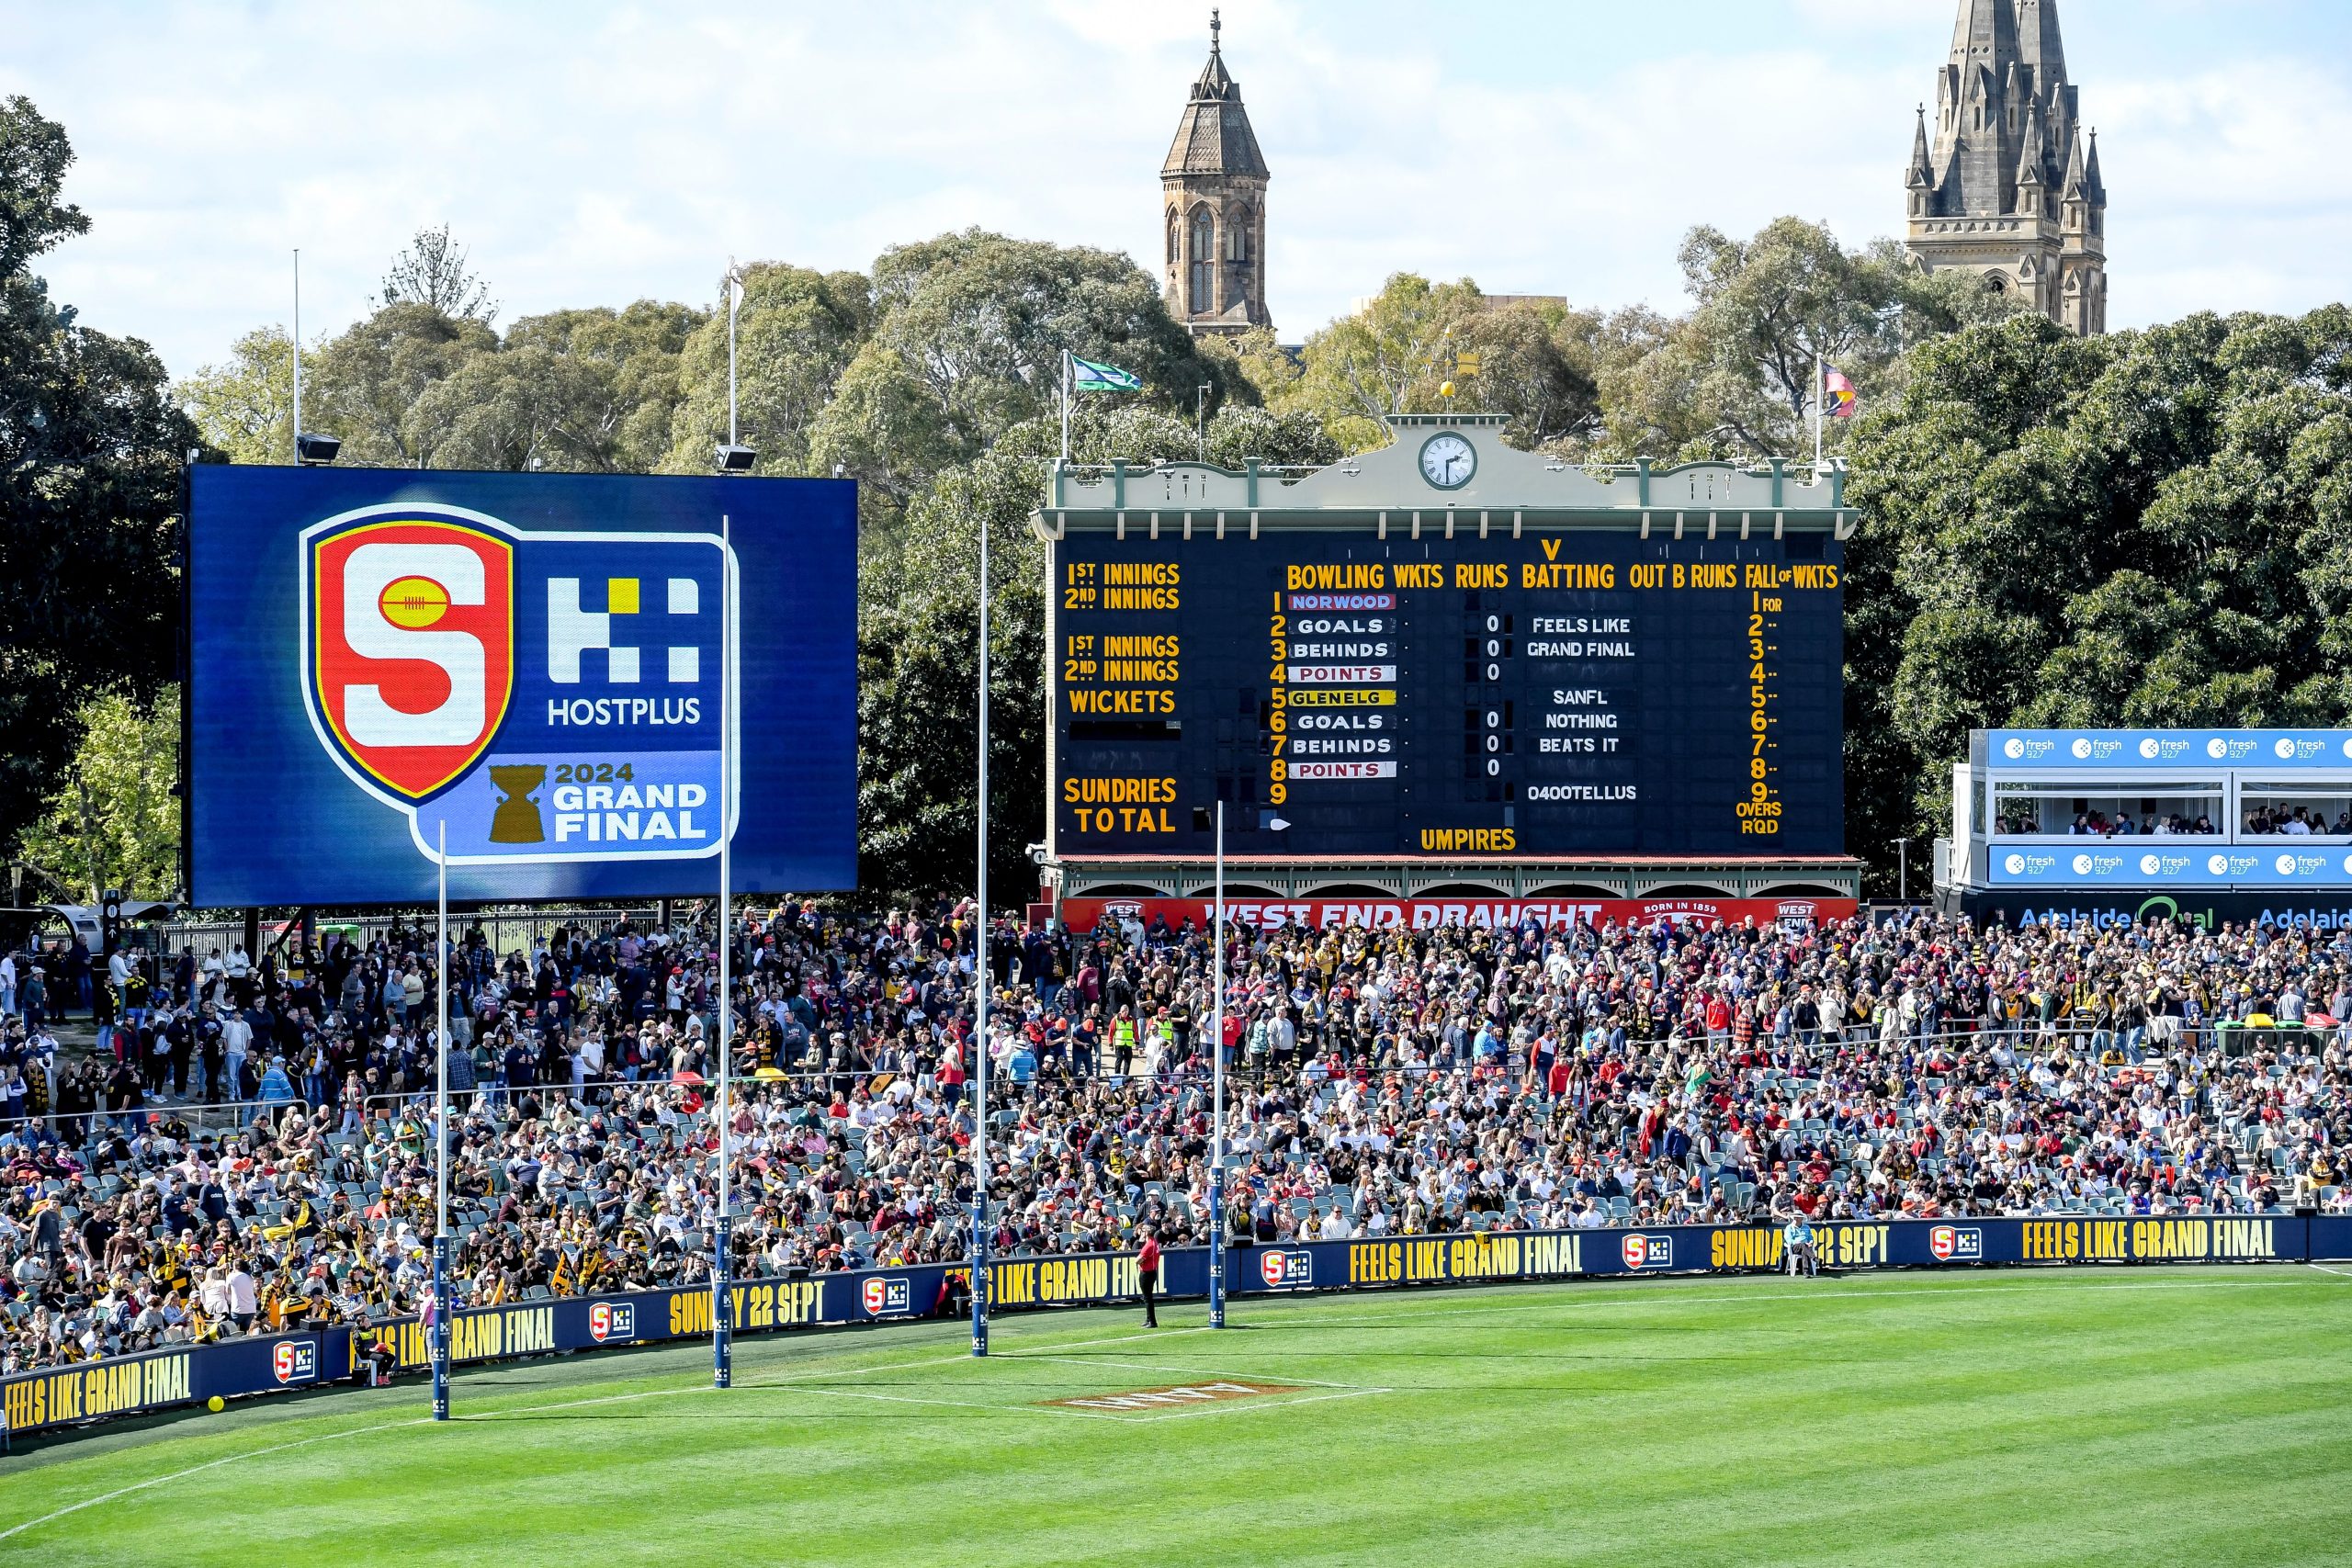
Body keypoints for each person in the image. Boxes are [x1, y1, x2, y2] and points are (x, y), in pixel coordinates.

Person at [1136, 1224, 1161, 1328]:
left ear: (1146, 1233)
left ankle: (1152, 1321)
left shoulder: (1149, 1245)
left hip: (1146, 1273)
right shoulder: (1154, 1242)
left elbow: (1138, 1260)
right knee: (1148, 1297)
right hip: (1152, 1271)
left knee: (1148, 1298)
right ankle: (1148, 1319)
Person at [1782, 1213, 1818, 1279]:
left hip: (1805, 1247)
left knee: (1804, 1250)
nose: (1796, 1219)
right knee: (1803, 1245)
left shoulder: (1807, 1227)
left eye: (1798, 1218)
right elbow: (1788, 1240)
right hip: (1794, 1247)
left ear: (1801, 1219)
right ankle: (1814, 1258)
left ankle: (1805, 1272)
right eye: (1795, 1217)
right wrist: (1797, 1242)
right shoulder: (1789, 1227)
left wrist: (1810, 1242)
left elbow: (1810, 1237)